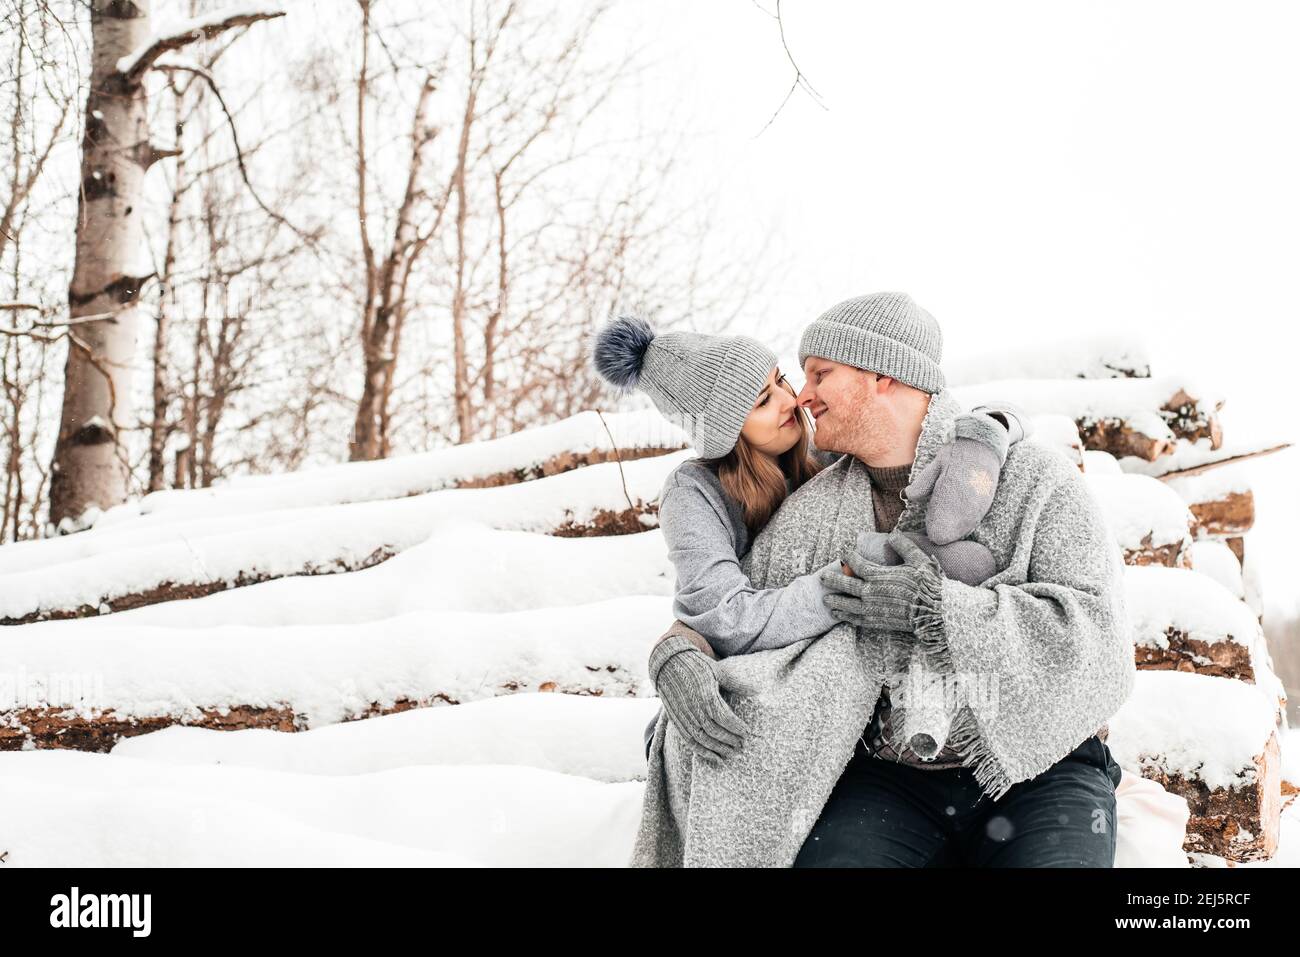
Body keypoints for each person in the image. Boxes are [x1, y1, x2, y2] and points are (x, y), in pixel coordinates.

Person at [628, 292, 1134, 868]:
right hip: (887, 780)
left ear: (882, 377)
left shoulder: (1033, 479)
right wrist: (675, 651)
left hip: (1039, 765)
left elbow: (1097, 630)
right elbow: (727, 613)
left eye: (819, 373)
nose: (803, 396)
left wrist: (939, 608)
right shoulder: (806, 509)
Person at [590, 315, 1029, 765]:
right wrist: (856, 575)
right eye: (764, 400)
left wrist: (991, 429)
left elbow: (923, 421)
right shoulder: (695, 495)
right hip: (747, 704)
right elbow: (723, 616)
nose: (790, 399)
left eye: (780, 380)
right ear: (725, 433)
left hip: (843, 688)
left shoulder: (825, 450)